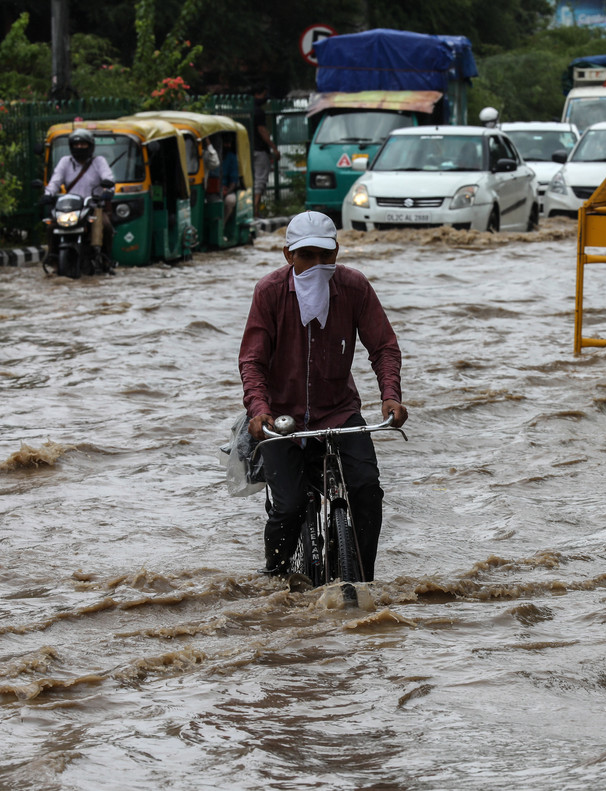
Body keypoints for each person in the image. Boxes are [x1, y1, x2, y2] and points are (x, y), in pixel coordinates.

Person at [239, 211, 407, 581]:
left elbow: (384, 347)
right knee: (290, 506)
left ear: (336, 253)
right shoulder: (268, 292)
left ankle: (362, 581)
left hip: (339, 411)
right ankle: (275, 578)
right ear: (289, 256)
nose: (316, 264)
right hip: (283, 419)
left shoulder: (354, 287)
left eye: (324, 256)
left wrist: (390, 395)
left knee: (366, 490)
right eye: (306, 256)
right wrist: (260, 409)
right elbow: (252, 360)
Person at [44, 128, 115, 262]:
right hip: (70, 209)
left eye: (83, 144)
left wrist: (108, 191)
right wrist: (48, 194)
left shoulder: (99, 161)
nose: (79, 147)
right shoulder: (65, 162)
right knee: (51, 226)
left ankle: (106, 259)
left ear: (90, 146)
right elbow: (55, 181)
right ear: (71, 147)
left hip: (94, 207)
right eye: (76, 145)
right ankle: (52, 258)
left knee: (105, 226)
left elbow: (109, 179)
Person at [251, 86, 280, 216]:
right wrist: (273, 147)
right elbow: (262, 130)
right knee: (259, 181)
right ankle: (254, 210)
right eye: (263, 95)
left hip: (247, 151)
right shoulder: (258, 112)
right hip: (259, 151)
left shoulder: (246, 111)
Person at [220, 134, 241, 234]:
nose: (227, 146)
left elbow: (234, 181)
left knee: (230, 201)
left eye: (229, 143)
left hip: (227, 191)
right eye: (225, 143)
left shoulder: (232, 158)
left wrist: (226, 191)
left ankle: (222, 226)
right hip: (212, 191)